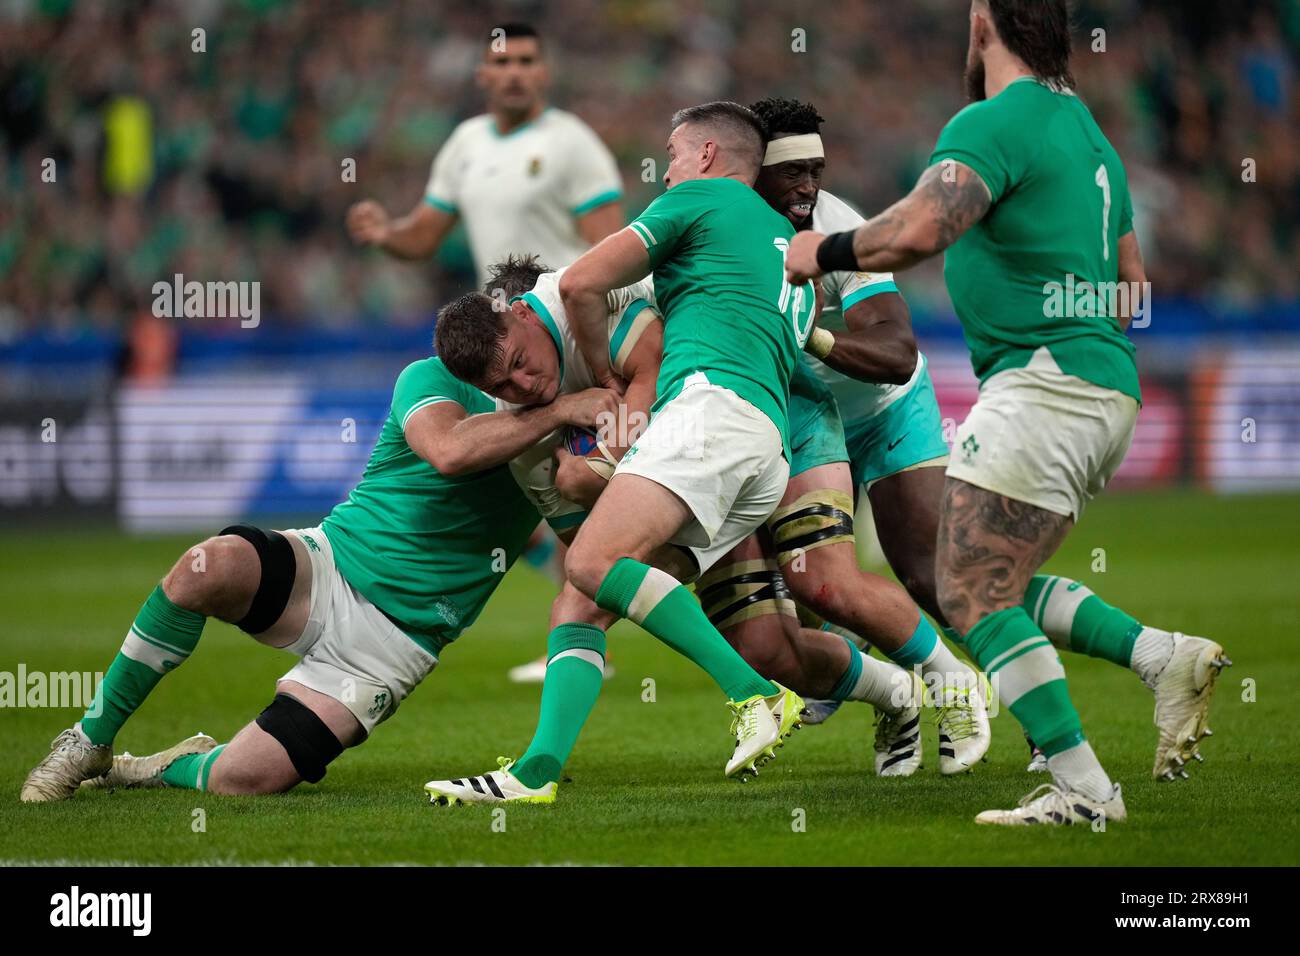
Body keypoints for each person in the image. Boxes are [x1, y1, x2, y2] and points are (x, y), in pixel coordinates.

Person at [784, 0, 1230, 825]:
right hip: (1105, 385)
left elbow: (920, 229)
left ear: (982, 21)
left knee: (969, 593)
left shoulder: (994, 120)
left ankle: (1084, 790)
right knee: (994, 577)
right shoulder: (1090, 134)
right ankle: (1160, 657)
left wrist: (823, 251)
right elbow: (1133, 281)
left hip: (1043, 384)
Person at [20, 349, 617, 802]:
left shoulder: (564, 431)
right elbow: (450, 452)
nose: (515, 373)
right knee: (206, 566)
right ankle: (88, 741)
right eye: (501, 353)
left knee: (246, 779)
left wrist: (589, 472)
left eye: (528, 354)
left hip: (393, 648)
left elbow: (575, 541)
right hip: (329, 566)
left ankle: (147, 766)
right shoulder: (433, 376)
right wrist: (560, 413)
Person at [347, 22, 623, 285]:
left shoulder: (575, 142)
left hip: (564, 324)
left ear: (544, 74)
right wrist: (386, 234)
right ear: (482, 75)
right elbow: (423, 237)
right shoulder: (466, 141)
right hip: (502, 325)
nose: (514, 73)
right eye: (502, 63)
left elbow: (610, 254)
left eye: (526, 62)